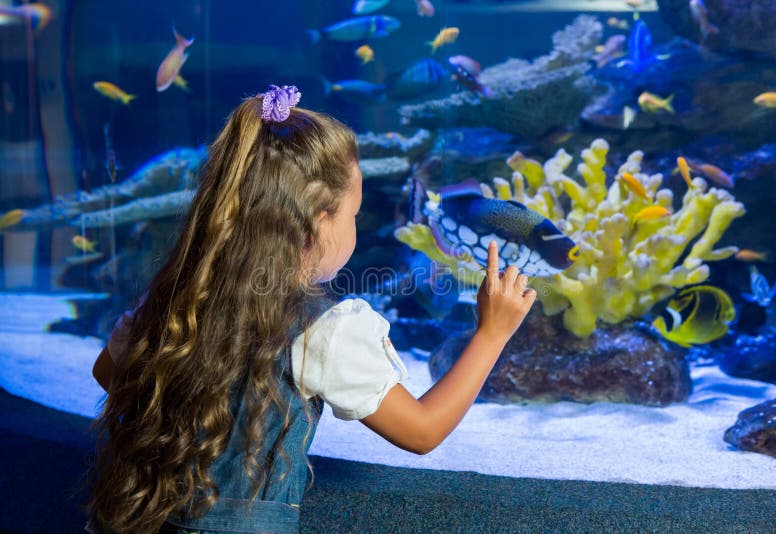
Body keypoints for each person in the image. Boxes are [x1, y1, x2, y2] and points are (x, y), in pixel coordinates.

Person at [85, 84, 536, 534]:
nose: (355, 226)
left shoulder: (176, 293)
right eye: (354, 214)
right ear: (318, 220)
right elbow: (421, 432)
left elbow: (109, 374)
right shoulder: (323, 328)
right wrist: (490, 334)